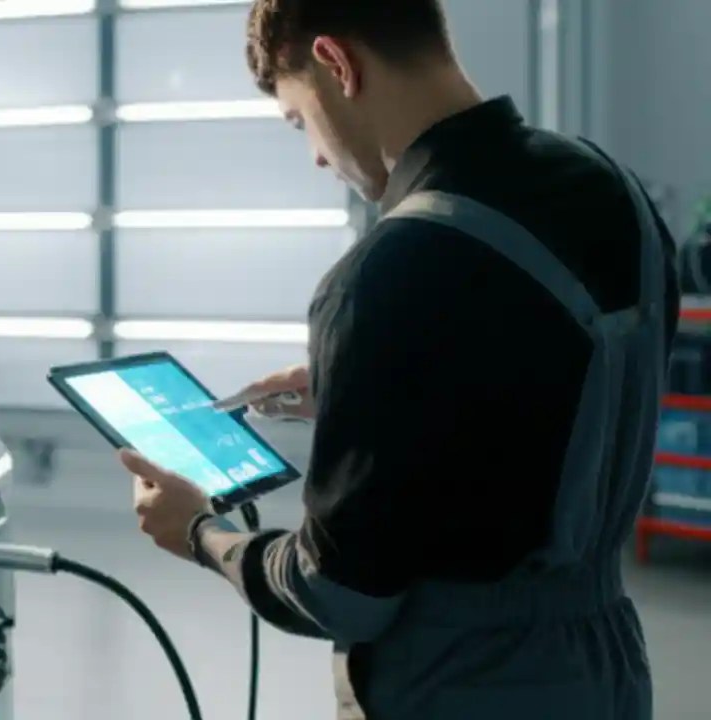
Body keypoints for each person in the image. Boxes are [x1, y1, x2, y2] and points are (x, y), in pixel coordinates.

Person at [120, 1, 678, 718]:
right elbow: (549, 398)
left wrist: (202, 533)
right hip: (609, 676)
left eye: (298, 121)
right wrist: (369, 394)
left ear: (336, 64)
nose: (316, 155)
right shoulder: (616, 192)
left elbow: (335, 593)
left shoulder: (386, 272)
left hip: (456, 690)